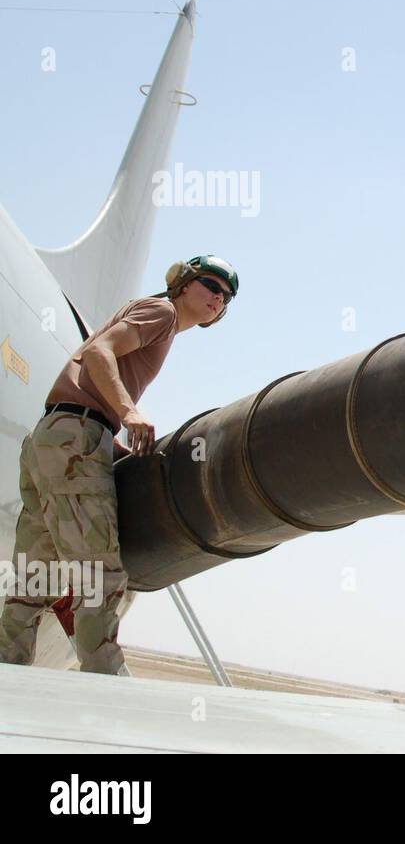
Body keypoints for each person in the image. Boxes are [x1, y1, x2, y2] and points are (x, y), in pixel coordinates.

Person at [0, 255, 239, 674]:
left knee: (32, 581)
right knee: (99, 578)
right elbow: (99, 352)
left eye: (226, 297)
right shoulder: (162, 312)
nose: (218, 299)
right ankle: (104, 685)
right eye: (211, 285)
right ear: (183, 284)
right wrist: (129, 413)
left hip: (57, 437)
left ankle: (8, 670)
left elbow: (85, 386)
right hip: (75, 438)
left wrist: (112, 444)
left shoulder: (154, 318)